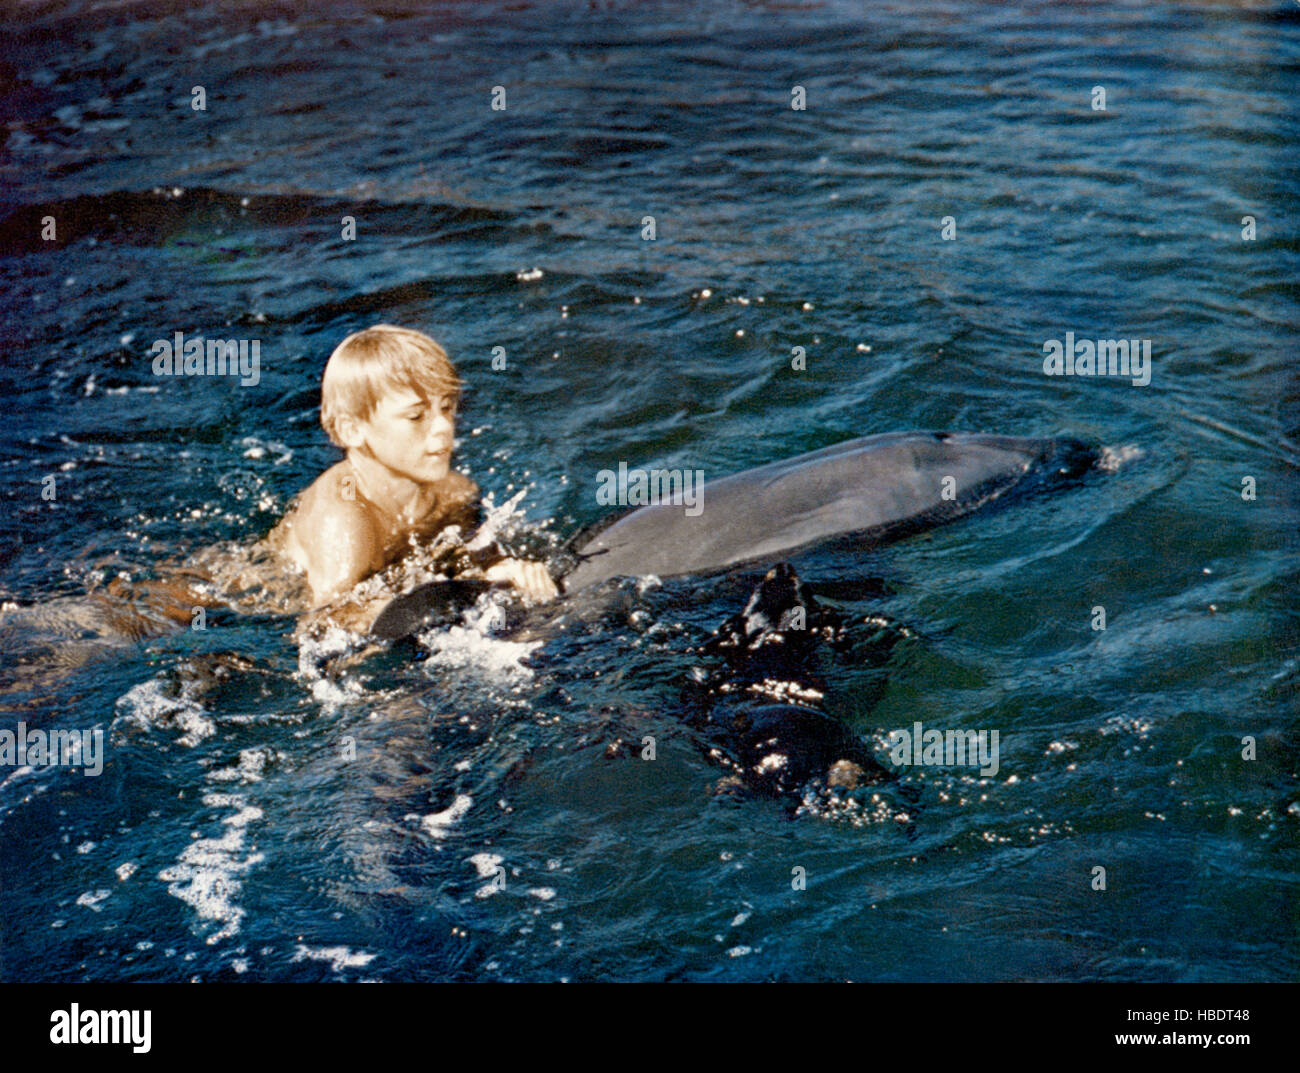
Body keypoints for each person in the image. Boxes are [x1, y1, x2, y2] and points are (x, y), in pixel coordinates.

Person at [265, 324, 557, 629]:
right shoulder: (344, 521)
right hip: (262, 598)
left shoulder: (455, 493)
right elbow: (317, 625)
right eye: (416, 416)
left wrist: (501, 572)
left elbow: (469, 559)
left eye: (447, 407)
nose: (444, 427)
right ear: (351, 430)